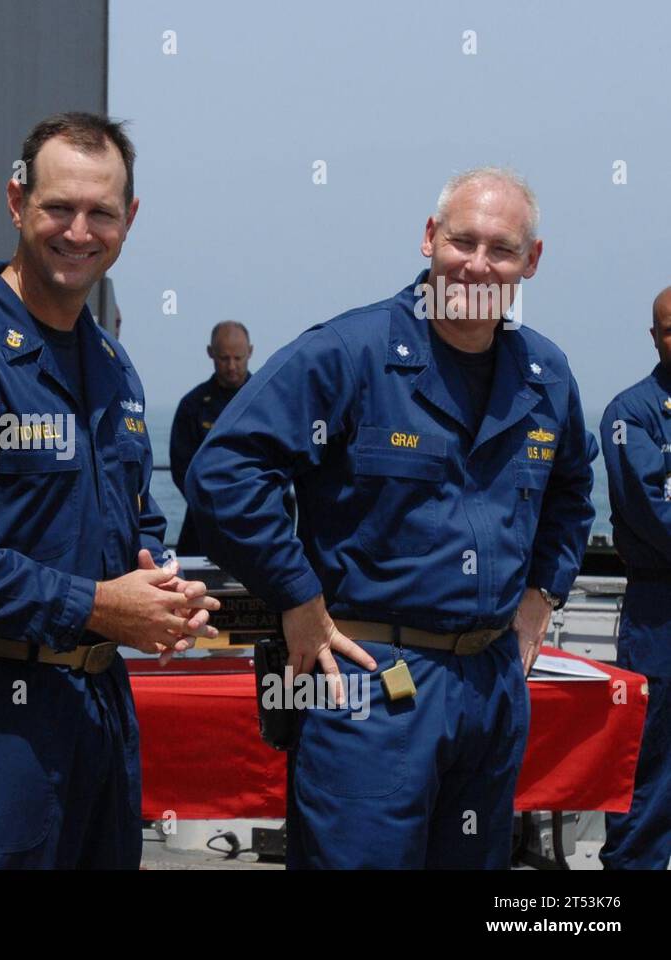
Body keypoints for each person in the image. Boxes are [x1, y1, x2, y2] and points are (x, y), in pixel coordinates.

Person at [186, 167, 595, 869]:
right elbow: (224, 473)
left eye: (501, 249)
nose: (477, 263)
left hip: (491, 686)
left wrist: (541, 597)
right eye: (462, 241)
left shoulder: (543, 374)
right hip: (371, 682)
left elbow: (572, 492)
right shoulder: (351, 354)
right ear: (429, 238)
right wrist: (296, 596)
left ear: (532, 261)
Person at [0, 112, 220, 869]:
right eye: (58, 209)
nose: (79, 232)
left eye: (101, 212)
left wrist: (160, 587)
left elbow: (137, 514)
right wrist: (101, 606)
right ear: (16, 204)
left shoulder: (112, 364)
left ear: (128, 219)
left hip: (100, 716)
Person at [598, 287, 671, 869]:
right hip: (660, 617)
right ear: (654, 337)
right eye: (670, 329)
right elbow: (651, 511)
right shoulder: (632, 414)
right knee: (648, 771)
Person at [170, 321, 253, 555]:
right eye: (224, 358)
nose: (232, 367)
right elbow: (181, 469)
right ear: (210, 353)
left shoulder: (268, 400)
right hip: (204, 523)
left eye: (238, 358)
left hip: (258, 523)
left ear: (251, 352)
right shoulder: (193, 405)